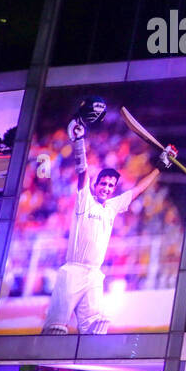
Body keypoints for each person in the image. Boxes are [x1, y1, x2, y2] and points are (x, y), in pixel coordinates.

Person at [42, 115, 170, 335]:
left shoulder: (112, 206)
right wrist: (79, 140)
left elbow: (138, 190)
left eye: (111, 185)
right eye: (104, 183)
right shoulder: (85, 200)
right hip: (72, 271)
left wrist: (160, 167)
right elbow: (82, 171)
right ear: (97, 184)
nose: (107, 187)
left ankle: (85, 368)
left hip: (94, 275)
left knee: (96, 328)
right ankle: (37, 366)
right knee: (55, 329)